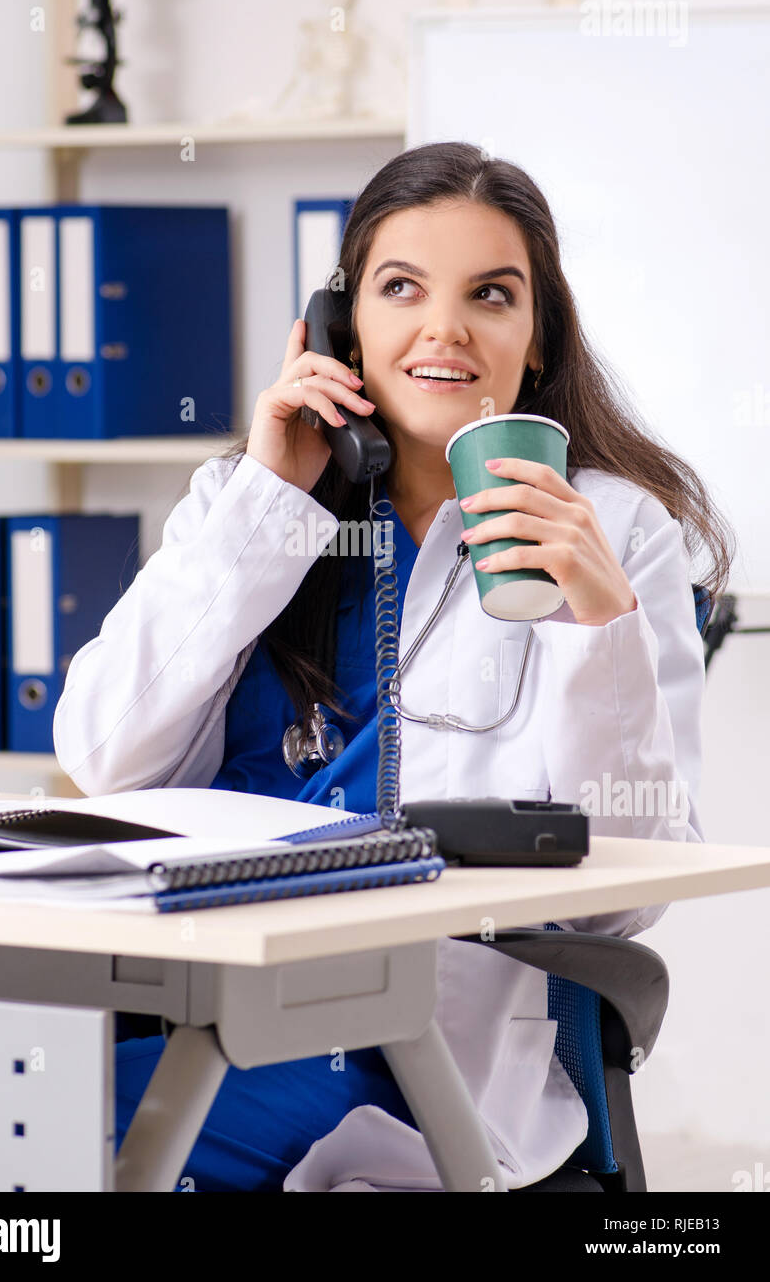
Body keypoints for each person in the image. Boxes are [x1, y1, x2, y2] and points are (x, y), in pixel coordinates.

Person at [54, 141, 735, 1192]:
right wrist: (268, 501)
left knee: (47, 1129)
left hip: (409, 1046)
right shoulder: (245, 502)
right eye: (401, 287)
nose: (443, 328)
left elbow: (621, 896)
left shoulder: (616, 528)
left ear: (539, 336)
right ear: (342, 325)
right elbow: (102, 753)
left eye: (491, 295)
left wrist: (596, 618)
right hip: (206, 986)